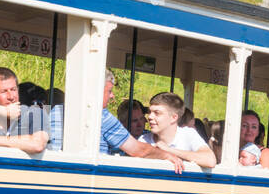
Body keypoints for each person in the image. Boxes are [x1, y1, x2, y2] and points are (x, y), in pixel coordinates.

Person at [47, 70, 184, 171]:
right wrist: (166, 155)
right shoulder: (100, 116)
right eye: (109, 91)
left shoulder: (55, 111)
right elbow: (137, 150)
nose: (112, 96)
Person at [0, 67, 49, 154]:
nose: (11, 97)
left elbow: (38, 144)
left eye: (13, 90)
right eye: (4, 91)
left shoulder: (35, 114)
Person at [140, 92, 217, 170]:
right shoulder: (143, 140)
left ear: (173, 117)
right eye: (150, 112)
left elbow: (210, 160)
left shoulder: (188, 134)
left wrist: (168, 150)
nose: (149, 117)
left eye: (157, 113)